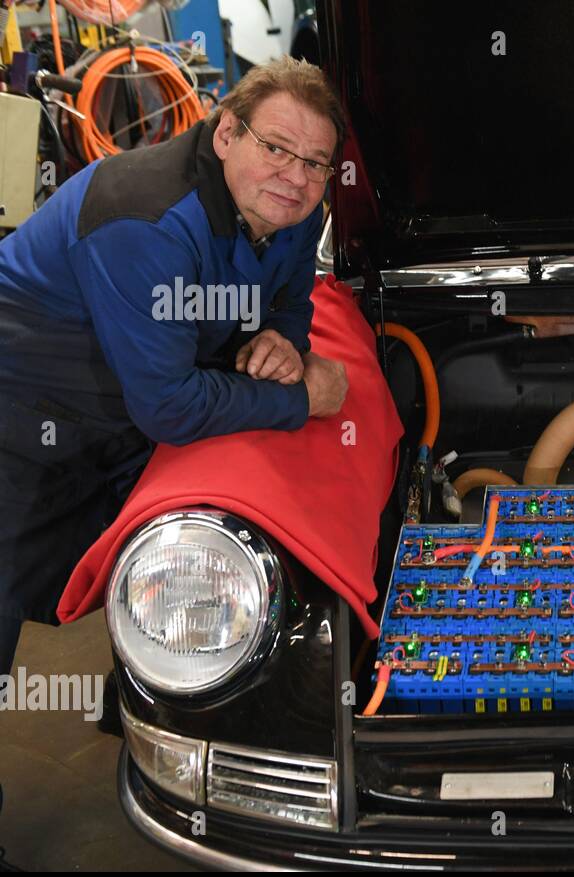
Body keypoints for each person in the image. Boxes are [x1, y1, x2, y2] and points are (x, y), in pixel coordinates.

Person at [0, 56, 350, 678]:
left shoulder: (292, 211)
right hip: (22, 404)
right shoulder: (145, 221)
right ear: (225, 134)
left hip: (124, 404)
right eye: (276, 147)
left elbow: (291, 298)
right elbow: (169, 406)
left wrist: (283, 342)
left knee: (162, 573)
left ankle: (154, 705)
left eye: (315, 163)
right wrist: (304, 398)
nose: (295, 177)